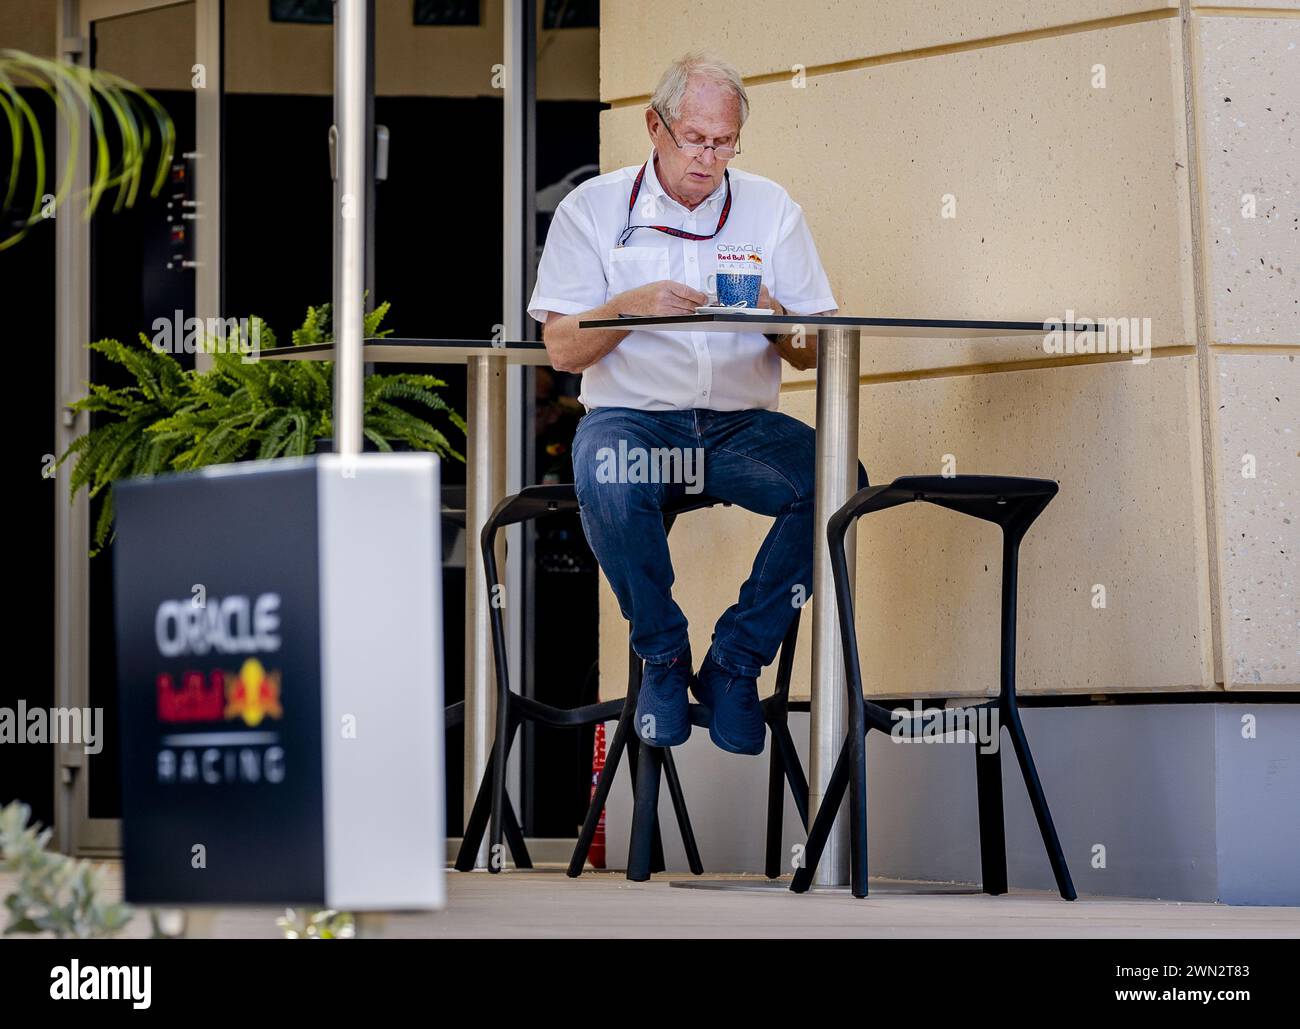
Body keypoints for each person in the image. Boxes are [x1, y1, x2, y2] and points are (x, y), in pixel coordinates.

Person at [527, 51, 865, 755]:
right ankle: (663, 654)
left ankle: (736, 661)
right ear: (655, 126)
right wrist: (627, 310)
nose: (710, 157)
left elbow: (817, 345)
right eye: (696, 139)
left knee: (838, 483)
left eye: (725, 141)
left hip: (739, 426)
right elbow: (560, 348)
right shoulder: (593, 210)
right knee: (607, 470)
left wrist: (776, 319)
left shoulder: (771, 209)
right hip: (637, 420)